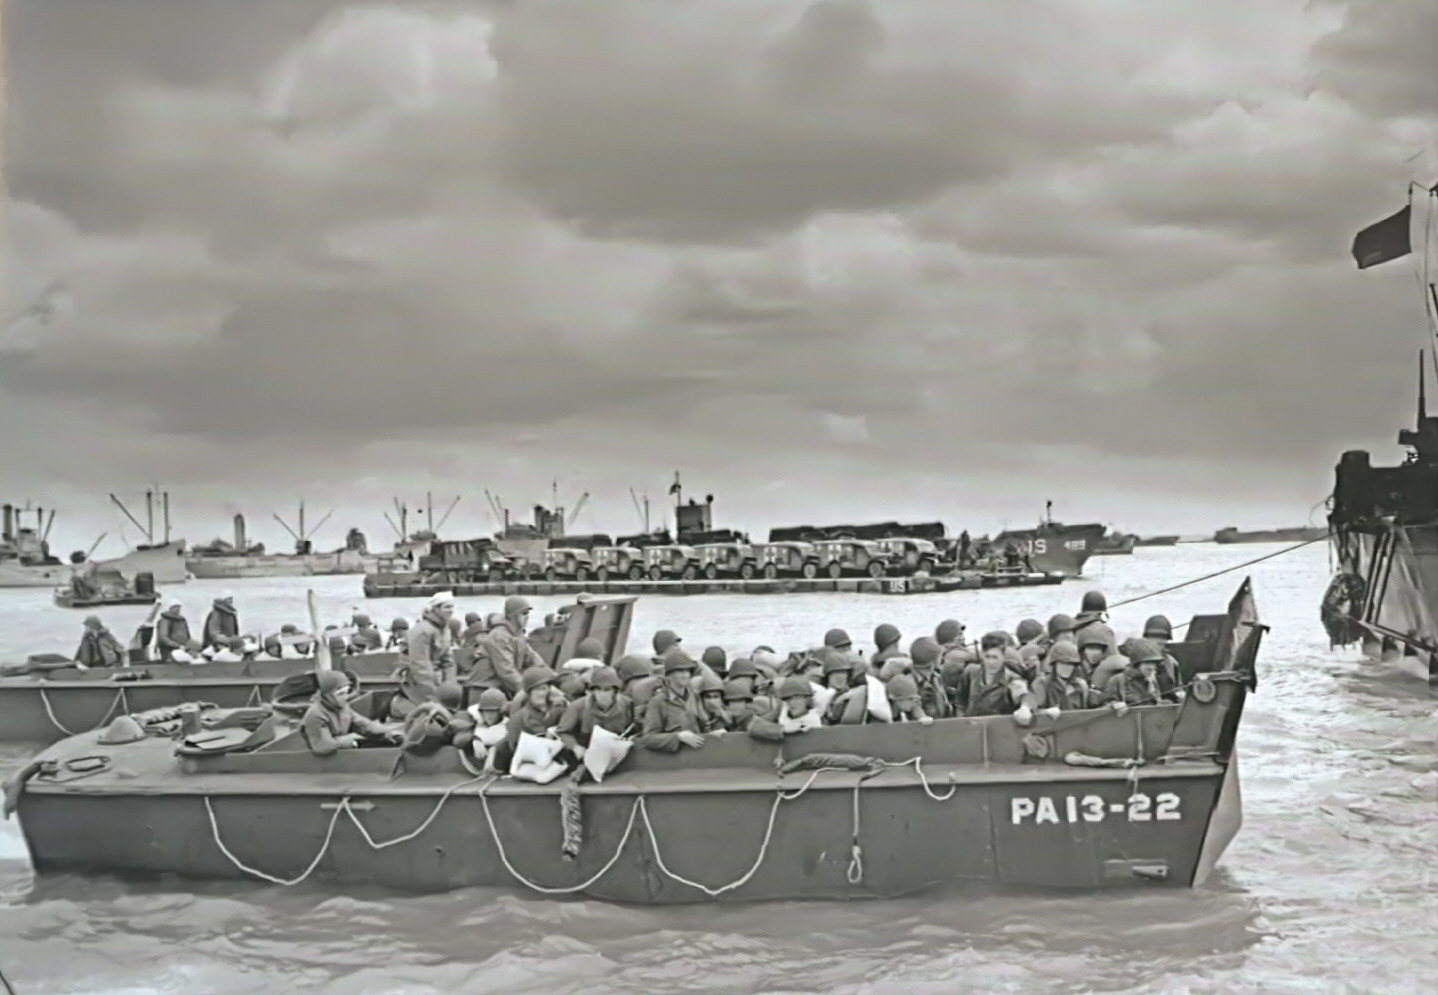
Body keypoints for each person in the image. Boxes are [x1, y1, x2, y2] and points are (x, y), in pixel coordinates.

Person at [300, 669, 402, 756]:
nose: (345, 697)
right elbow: (321, 746)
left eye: (346, 692)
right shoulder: (316, 715)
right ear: (326, 695)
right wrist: (345, 740)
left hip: (341, 752)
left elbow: (363, 724)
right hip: (321, 761)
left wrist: (386, 733)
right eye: (340, 694)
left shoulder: (342, 707)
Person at [469, 596, 546, 699]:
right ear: (512, 615)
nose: (527, 617)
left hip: (500, 687)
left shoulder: (517, 635)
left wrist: (550, 677)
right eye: (523, 614)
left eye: (528, 614)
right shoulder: (499, 636)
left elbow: (533, 659)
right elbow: (506, 671)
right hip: (484, 688)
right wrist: (528, 691)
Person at [556, 665, 635, 760]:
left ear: (615, 691)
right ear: (592, 691)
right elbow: (563, 732)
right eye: (598, 689)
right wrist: (575, 747)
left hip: (617, 751)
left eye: (607, 690)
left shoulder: (627, 704)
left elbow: (634, 729)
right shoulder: (577, 707)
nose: (602, 694)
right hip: (586, 751)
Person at [638, 649, 706, 752]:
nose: (685, 675)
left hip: (695, 753)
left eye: (687, 671)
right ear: (669, 675)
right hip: (672, 758)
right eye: (680, 671)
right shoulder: (658, 702)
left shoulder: (694, 696)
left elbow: (704, 725)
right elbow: (648, 739)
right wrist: (677, 737)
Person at [953, 632, 1030, 717]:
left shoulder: (1011, 679)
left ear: (1003, 656)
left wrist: (1025, 708)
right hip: (972, 725)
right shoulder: (970, 672)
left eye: (995, 657)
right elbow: (960, 702)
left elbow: (1025, 696)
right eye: (987, 657)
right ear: (982, 655)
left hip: (998, 727)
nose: (991, 662)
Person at [1102, 639, 1185, 706]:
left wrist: (1163, 704)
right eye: (1147, 662)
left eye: (1154, 663)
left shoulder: (1152, 681)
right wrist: (1114, 705)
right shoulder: (1117, 680)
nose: (1151, 667)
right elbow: (1103, 710)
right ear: (1137, 663)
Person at [747, 676, 823, 742]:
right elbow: (753, 726)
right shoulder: (783, 709)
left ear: (807, 699)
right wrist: (783, 730)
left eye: (797, 697)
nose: (792, 703)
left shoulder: (813, 720)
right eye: (788, 698)